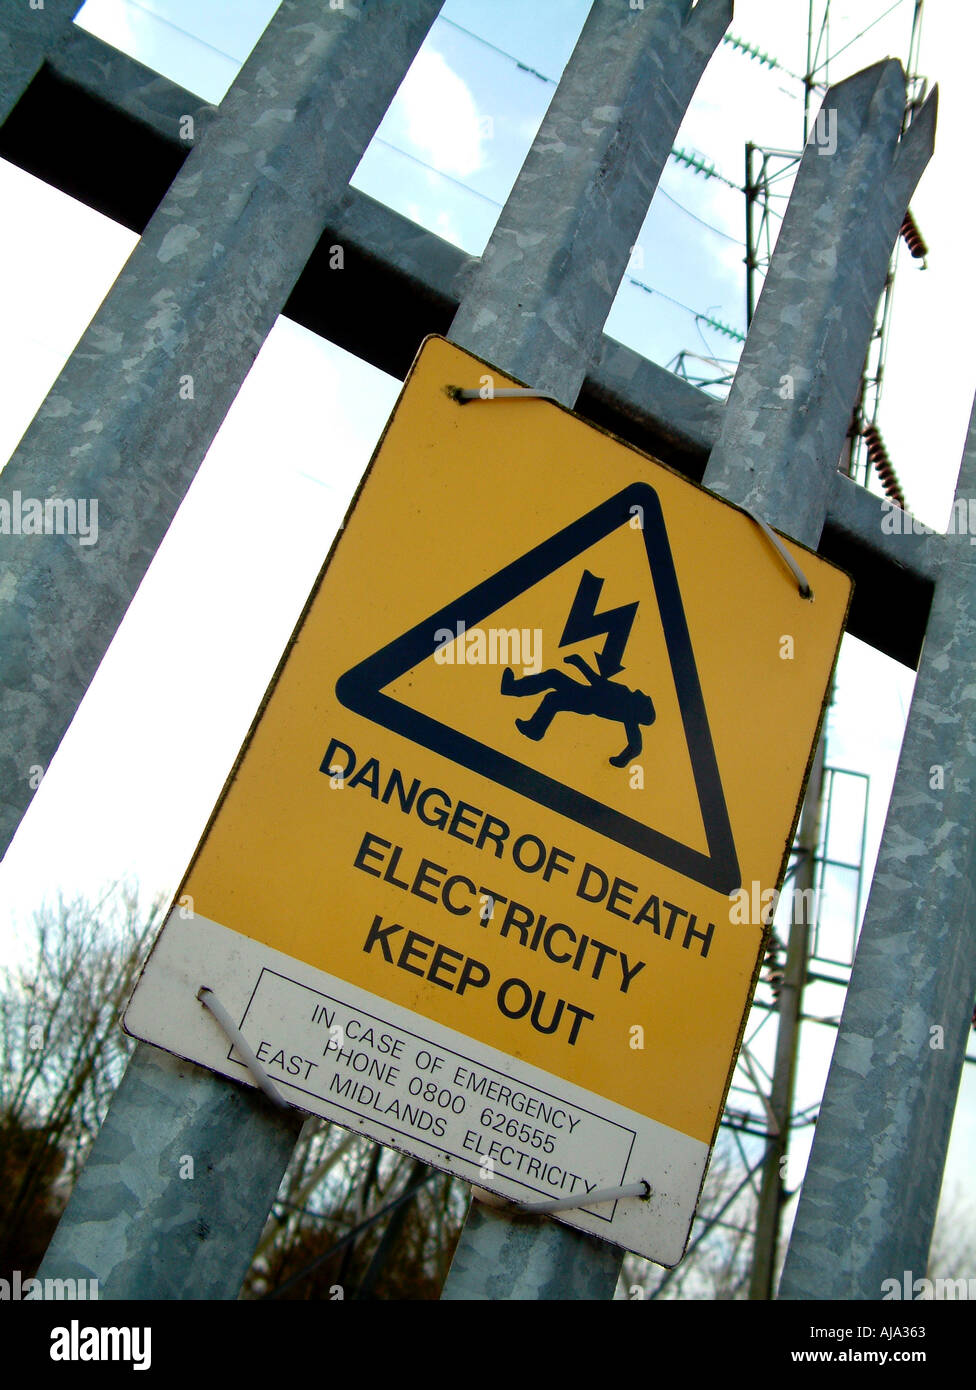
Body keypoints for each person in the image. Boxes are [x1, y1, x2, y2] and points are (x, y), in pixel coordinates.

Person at [500, 654, 655, 767]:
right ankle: (535, 728)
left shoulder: (624, 699)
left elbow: (597, 681)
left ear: (639, 707)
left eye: (645, 699)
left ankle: (514, 692)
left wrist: (579, 662)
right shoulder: (628, 712)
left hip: (584, 699)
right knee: (553, 694)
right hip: (585, 697)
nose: (643, 693)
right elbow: (636, 745)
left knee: (553, 687)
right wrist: (622, 760)